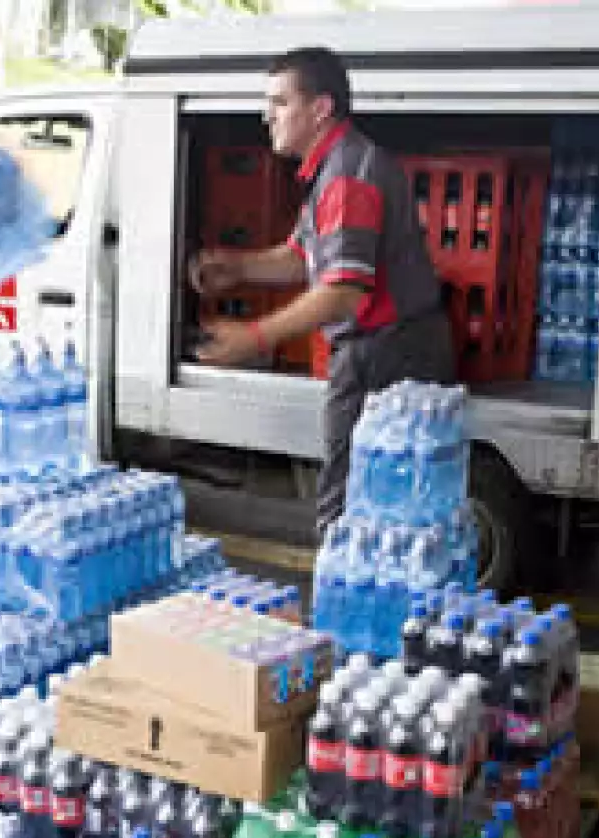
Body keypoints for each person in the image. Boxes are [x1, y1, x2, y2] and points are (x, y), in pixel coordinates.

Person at [192, 46, 455, 536]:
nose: (267, 116)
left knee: (352, 506)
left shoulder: (348, 177)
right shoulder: (336, 167)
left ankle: (345, 580)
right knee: (369, 500)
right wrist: (239, 267)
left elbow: (343, 292)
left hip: (387, 353)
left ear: (320, 109)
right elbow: (302, 256)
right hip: (388, 347)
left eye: (280, 102)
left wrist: (254, 337)